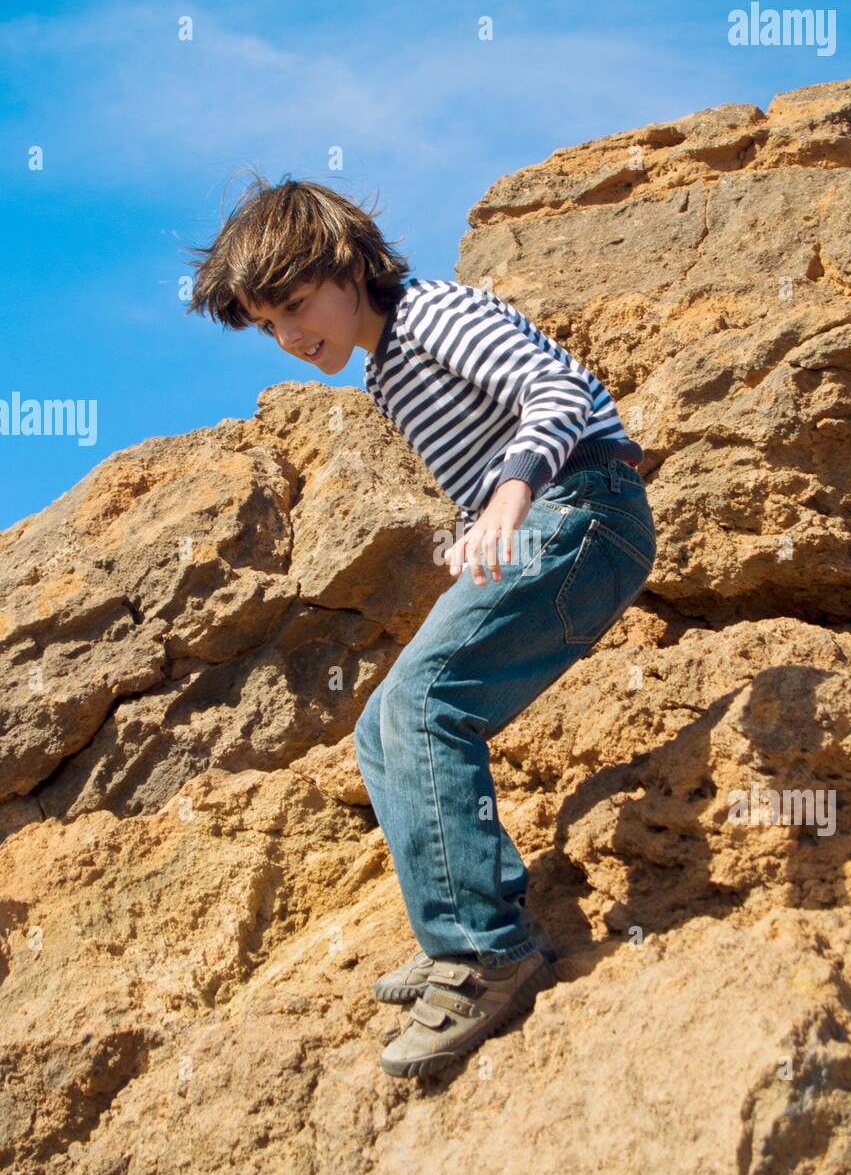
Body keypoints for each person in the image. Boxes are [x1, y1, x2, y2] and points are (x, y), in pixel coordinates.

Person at [183, 172, 656, 1080]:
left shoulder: (434, 311)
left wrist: (511, 494)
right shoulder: (384, 367)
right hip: (557, 523)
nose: (288, 336)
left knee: (421, 705)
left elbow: (555, 386)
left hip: (582, 509)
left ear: (350, 264)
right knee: (382, 725)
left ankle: (483, 949)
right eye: (268, 326)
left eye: (294, 304)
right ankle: (456, 926)